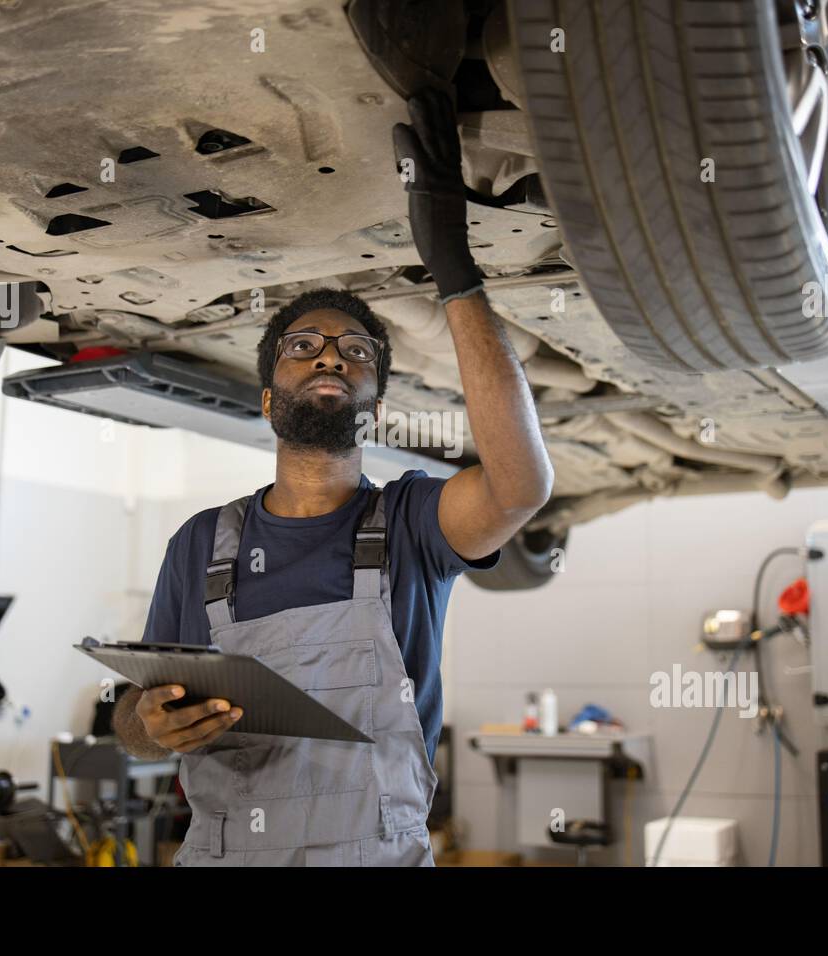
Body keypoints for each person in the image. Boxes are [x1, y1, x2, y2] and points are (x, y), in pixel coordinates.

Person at [114, 88, 554, 865]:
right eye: (303, 345)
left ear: (376, 408)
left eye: (355, 354)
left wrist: (452, 269)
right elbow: (130, 718)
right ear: (267, 398)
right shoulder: (200, 546)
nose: (329, 356)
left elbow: (519, 486)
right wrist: (147, 726)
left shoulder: (413, 524)